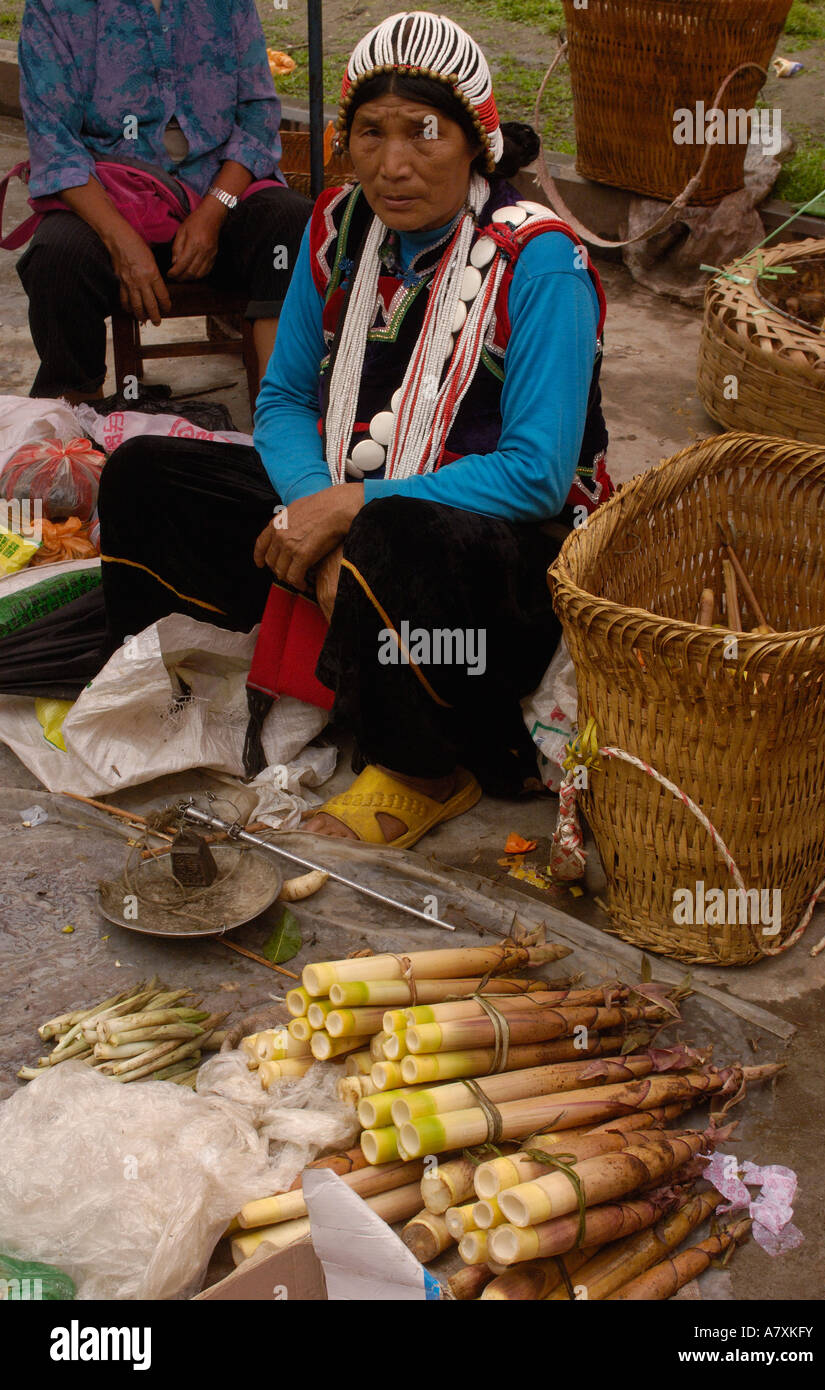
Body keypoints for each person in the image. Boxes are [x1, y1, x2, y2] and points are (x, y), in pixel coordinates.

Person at [97, 11, 613, 849]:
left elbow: (535, 474)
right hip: (353, 509)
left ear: (474, 143)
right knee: (146, 474)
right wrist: (318, 513)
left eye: (424, 133)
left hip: (496, 556)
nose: (393, 164)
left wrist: (352, 510)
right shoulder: (337, 229)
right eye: (369, 134)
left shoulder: (539, 260)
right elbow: (284, 401)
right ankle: (244, 671)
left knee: (398, 537)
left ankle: (423, 767)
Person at [15, 0, 311, 401]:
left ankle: (282, 410)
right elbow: (54, 142)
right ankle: (77, 425)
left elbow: (257, 113)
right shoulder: (56, 8)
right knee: (57, 259)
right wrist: (122, 241)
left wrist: (213, 210)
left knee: (291, 226)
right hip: (112, 196)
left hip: (216, 189)